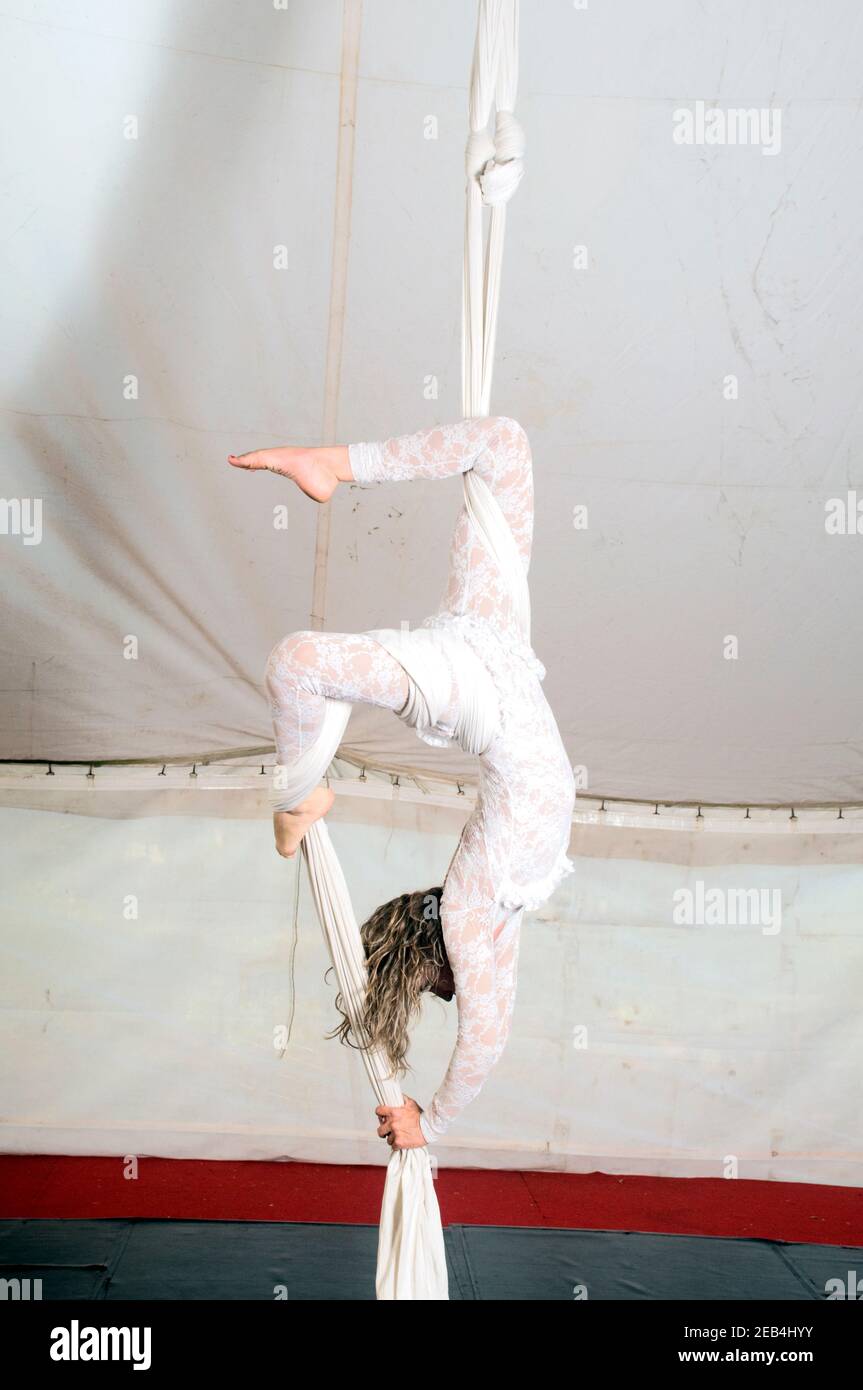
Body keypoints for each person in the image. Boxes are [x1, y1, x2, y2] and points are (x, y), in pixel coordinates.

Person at [228, 417, 575, 1149]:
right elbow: (493, 1019)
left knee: (295, 664)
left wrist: (431, 1123)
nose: (455, 992)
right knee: (503, 442)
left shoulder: (473, 913)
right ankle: (330, 460)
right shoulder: (496, 912)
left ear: (436, 958)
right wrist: (432, 1117)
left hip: (477, 675)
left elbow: (487, 1032)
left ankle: (294, 802)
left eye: (436, 988)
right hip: (495, 648)